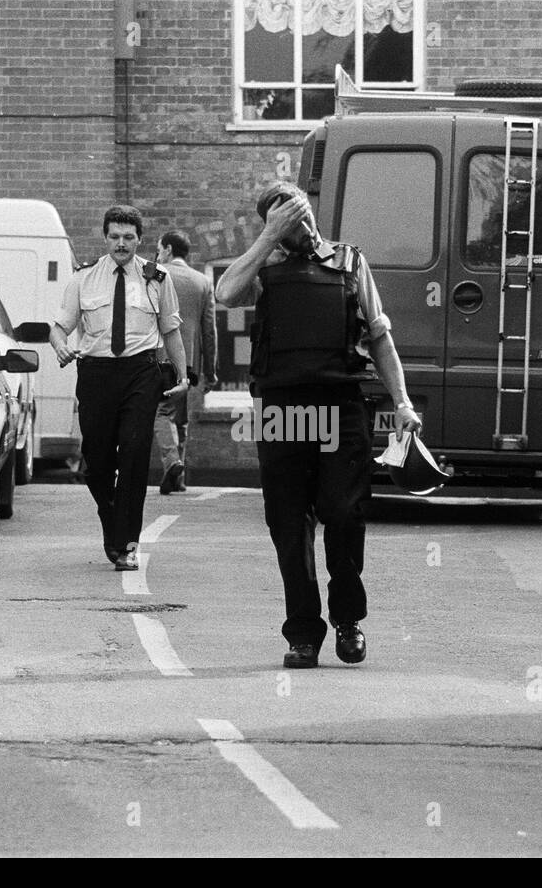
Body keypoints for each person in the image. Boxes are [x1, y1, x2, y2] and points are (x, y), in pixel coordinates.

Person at [215, 180, 421, 669]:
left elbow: (381, 339)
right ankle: (304, 634)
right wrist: (269, 237)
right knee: (288, 523)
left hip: (340, 406)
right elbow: (224, 293)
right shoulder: (264, 267)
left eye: (303, 217)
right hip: (282, 410)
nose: (302, 229)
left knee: (344, 513)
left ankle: (348, 621)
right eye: (290, 223)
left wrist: (404, 402)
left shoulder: (350, 263)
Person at [51, 205, 188, 571]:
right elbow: (59, 327)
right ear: (105, 237)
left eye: (129, 237)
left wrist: (183, 375)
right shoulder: (84, 278)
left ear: (140, 240)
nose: (121, 244)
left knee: (134, 453)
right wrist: (61, 346)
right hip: (96, 374)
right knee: (97, 465)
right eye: (115, 237)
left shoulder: (157, 277)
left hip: (140, 373)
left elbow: (171, 329)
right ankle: (111, 523)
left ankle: (127, 542)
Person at [153, 230, 218, 494]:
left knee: (161, 411)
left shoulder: (154, 274)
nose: (157, 254)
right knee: (180, 417)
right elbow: (209, 331)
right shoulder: (202, 281)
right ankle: (178, 479)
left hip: (160, 357)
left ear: (168, 249)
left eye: (159, 249)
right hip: (189, 362)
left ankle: (172, 462)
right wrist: (210, 372)